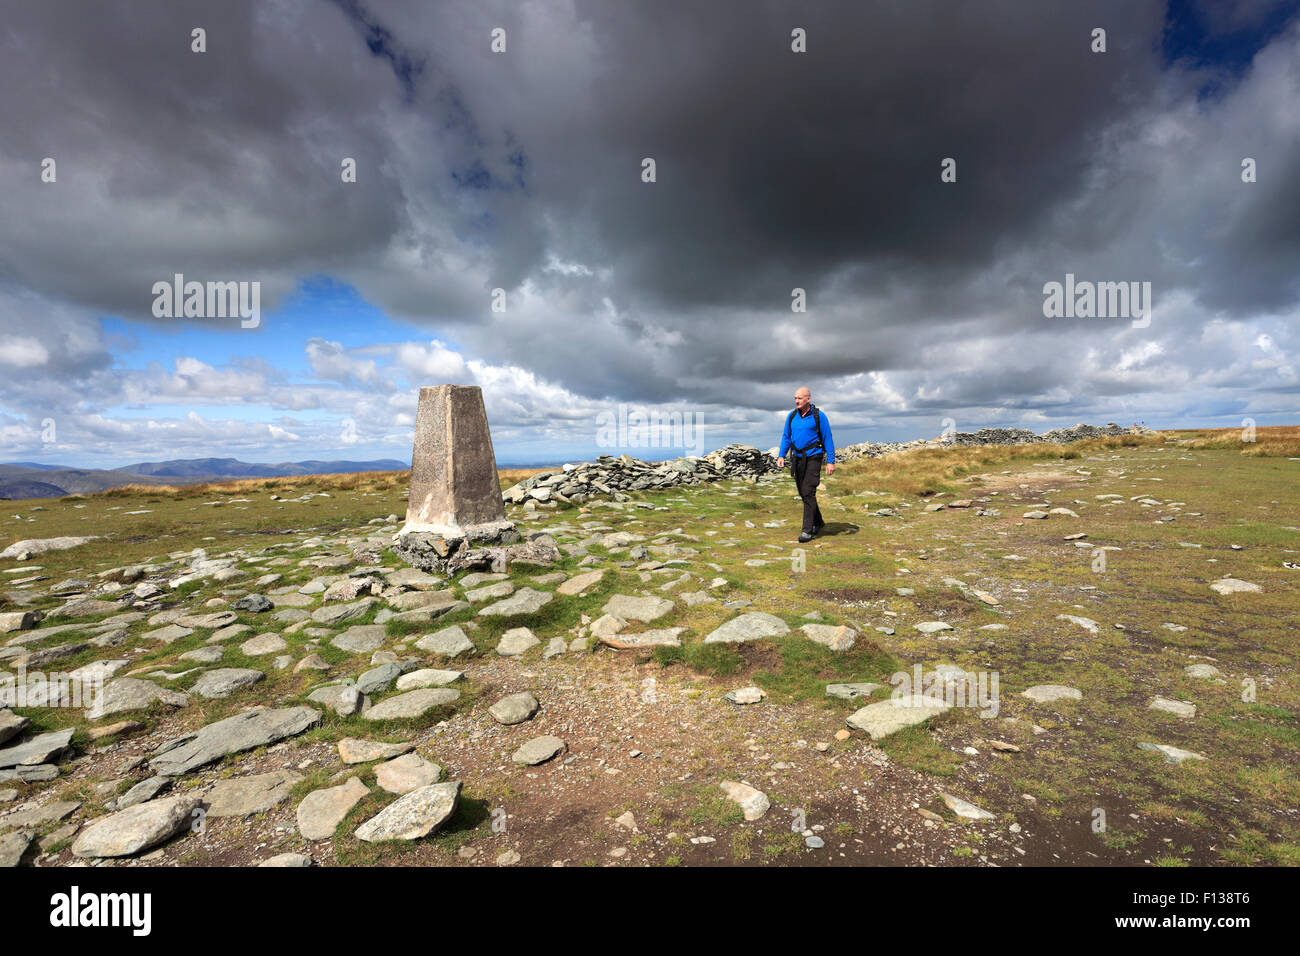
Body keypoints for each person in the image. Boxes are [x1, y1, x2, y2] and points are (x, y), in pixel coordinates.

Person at [776, 387, 835, 543]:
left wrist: (831, 461)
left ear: (808, 399)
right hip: (797, 458)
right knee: (803, 492)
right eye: (795, 398)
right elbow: (786, 436)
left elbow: (828, 437)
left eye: (800, 398)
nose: (796, 401)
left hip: (814, 457)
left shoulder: (819, 416)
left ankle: (807, 531)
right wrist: (781, 455)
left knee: (808, 491)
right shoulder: (792, 416)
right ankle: (818, 521)